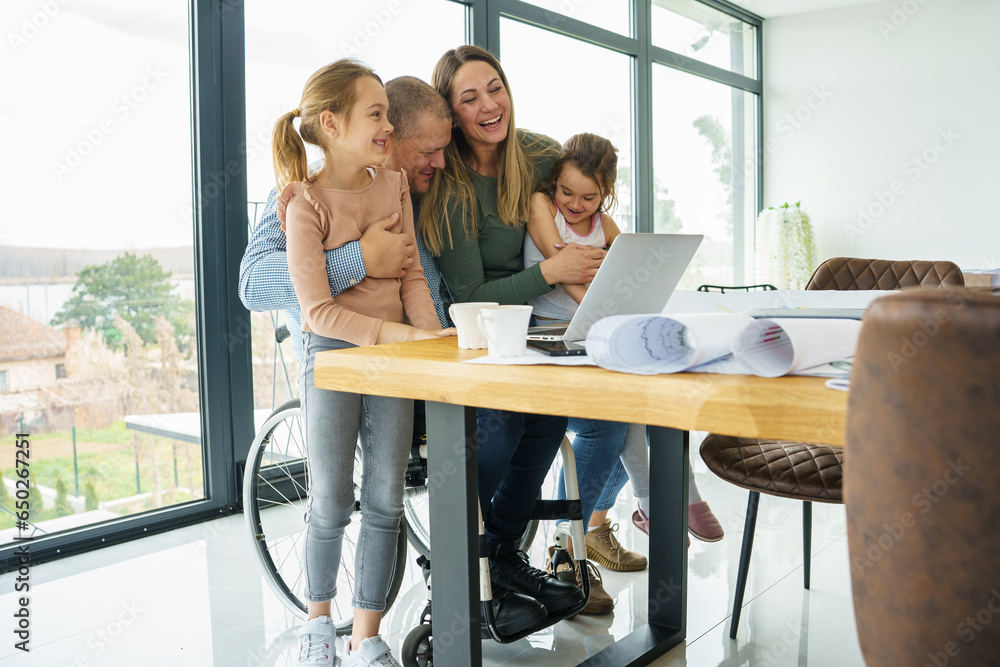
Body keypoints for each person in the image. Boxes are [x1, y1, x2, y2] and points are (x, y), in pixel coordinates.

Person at [272, 59, 452, 667]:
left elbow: (410, 276)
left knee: (385, 499)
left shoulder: (393, 185)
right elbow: (318, 312)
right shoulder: (304, 205)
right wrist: (393, 338)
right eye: (375, 113)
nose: (386, 124)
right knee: (330, 500)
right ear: (331, 123)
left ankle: (366, 636)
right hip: (334, 361)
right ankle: (318, 627)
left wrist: (430, 337)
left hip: (392, 358)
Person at [419, 45, 603, 621]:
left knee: (549, 418)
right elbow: (466, 300)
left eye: (494, 87)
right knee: (500, 425)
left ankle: (496, 548)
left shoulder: (539, 153)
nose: (489, 105)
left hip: (543, 327)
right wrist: (553, 269)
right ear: (451, 114)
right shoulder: (448, 189)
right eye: (469, 98)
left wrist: (618, 249)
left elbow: (592, 197)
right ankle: (460, 556)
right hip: (481, 333)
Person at [522, 133, 638, 615]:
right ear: (555, 183)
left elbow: (627, 267)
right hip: (545, 333)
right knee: (610, 422)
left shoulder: (603, 223)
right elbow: (568, 272)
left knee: (640, 414)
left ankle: (590, 530)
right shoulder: (540, 206)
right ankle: (566, 548)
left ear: (605, 193)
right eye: (567, 191)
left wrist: (618, 291)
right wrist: (604, 304)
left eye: (588, 197)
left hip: (590, 330)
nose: (574, 203)